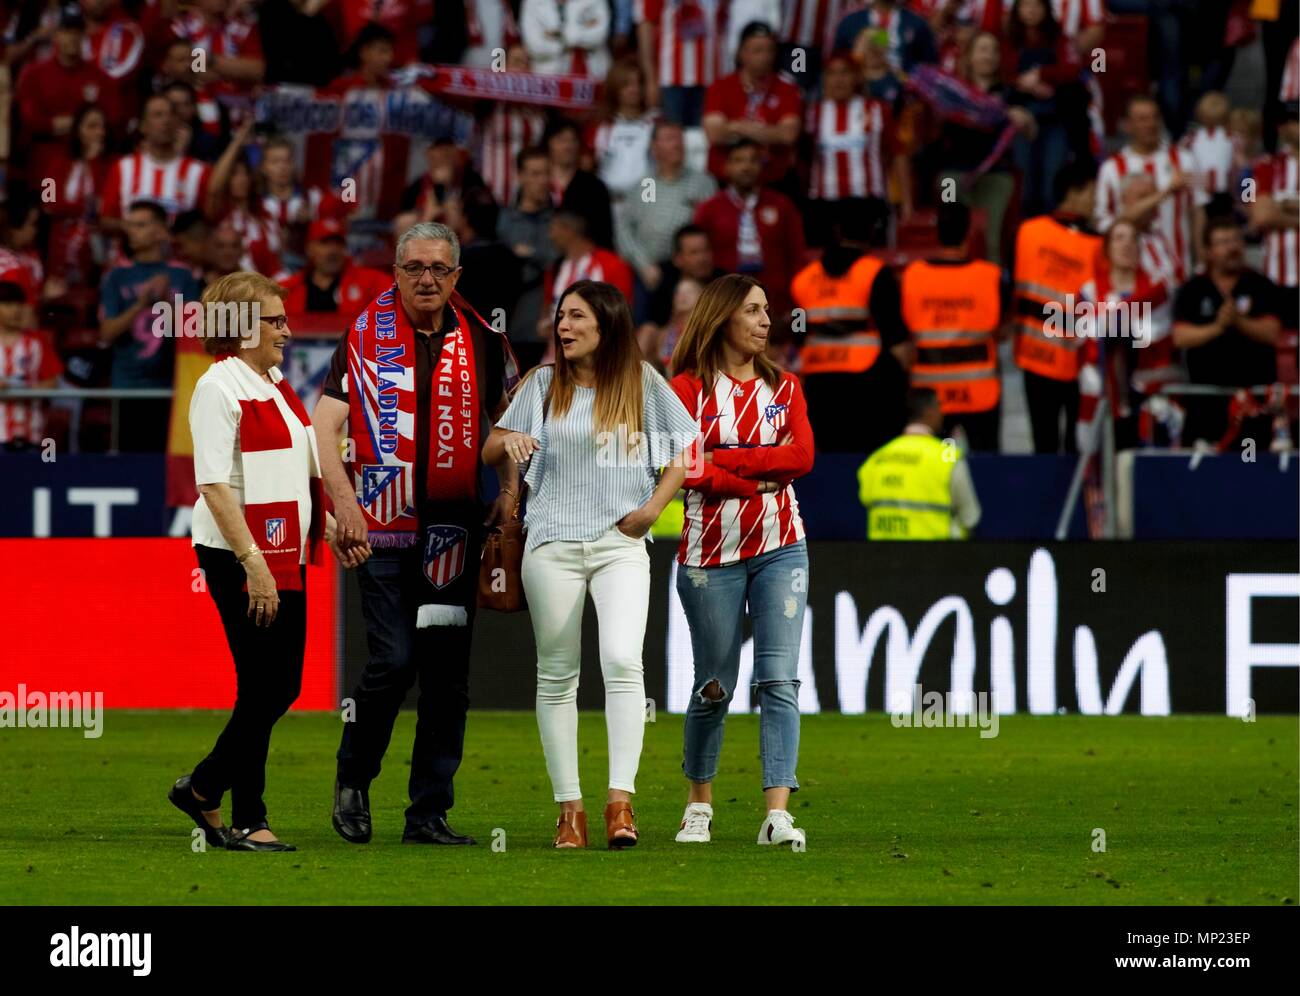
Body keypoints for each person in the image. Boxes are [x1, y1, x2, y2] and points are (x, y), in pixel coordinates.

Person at [317, 222, 519, 847]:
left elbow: (509, 427)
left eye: (439, 268)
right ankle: (353, 778)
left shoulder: (485, 340)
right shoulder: (362, 334)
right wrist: (344, 502)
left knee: (446, 674)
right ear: (396, 273)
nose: (427, 279)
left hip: (454, 531)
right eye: (414, 268)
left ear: (457, 277)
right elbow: (324, 427)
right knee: (393, 660)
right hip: (380, 528)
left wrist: (510, 495)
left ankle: (427, 812)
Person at [485, 279, 696, 849]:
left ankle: (619, 805)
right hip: (550, 543)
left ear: (606, 325)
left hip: (619, 544)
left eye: (577, 317)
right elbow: (490, 445)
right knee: (557, 675)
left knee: (624, 661)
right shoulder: (539, 384)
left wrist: (653, 509)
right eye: (560, 317)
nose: (564, 327)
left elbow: (686, 450)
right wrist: (512, 445)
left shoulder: (642, 381)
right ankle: (569, 811)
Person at [171, 270, 360, 852]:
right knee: (268, 687)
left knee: (271, 687)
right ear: (241, 327)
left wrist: (326, 528)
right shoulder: (216, 387)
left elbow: (287, 478)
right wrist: (253, 563)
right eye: (275, 320)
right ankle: (225, 800)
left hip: (282, 551)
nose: (287, 329)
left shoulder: (272, 381)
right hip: (239, 553)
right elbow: (213, 485)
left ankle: (221, 798)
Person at [667, 273, 815, 847]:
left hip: (783, 545)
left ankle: (777, 813)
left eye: (766, 309)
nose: (765, 320)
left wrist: (732, 462)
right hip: (710, 554)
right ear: (722, 317)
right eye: (752, 310)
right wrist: (760, 471)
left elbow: (801, 457)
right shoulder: (684, 391)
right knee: (715, 684)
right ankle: (698, 805)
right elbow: (690, 469)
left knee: (779, 679)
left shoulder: (786, 388)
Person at [790, 196, 911, 455]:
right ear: (871, 231)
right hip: (869, 385)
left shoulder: (803, 279)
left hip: (820, 385)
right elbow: (896, 338)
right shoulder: (876, 273)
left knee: (832, 459)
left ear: (836, 230)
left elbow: (798, 335)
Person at [98, 199, 203, 451]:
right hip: (127, 388)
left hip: (173, 388)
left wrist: (165, 302)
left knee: (166, 466)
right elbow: (107, 333)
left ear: (159, 231)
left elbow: (195, 331)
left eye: (140, 225)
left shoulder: (183, 275)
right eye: (130, 225)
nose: (131, 231)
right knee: (128, 464)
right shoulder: (115, 276)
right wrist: (140, 305)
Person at [1012, 160, 1100, 454]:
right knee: (1076, 447)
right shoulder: (1096, 246)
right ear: (1073, 193)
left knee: (1043, 444)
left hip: (1035, 356)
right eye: (1091, 193)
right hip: (1075, 363)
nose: (1095, 200)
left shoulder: (1028, 231)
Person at [900, 202, 1005, 451]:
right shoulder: (990, 276)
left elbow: (906, 331)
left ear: (937, 233)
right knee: (984, 468)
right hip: (979, 393)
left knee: (933, 465)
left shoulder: (913, 275)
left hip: (931, 398)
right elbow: (1002, 329)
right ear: (969, 233)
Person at [1172, 217, 1282, 448]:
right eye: (1223, 242)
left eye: (1235, 240)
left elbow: (1272, 332)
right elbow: (1180, 336)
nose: (1232, 247)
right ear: (1209, 251)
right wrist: (1217, 327)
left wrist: (1239, 322)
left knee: (1252, 469)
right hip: (1205, 403)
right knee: (1204, 474)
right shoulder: (1193, 289)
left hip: (1253, 403)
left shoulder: (1261, 285)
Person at [693, 138, 806, 320]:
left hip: (776, 304)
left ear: (762, 166)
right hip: (726, 304)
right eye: (739, 160)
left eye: (753, 160)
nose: (746, 167)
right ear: (726, 167)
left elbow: (796, 255)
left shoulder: (782, 205)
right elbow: (699, 259)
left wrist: (795, 305)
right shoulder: (709, 209)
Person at [857, 387, 982, 539]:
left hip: (880, 556)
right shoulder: (947, 457)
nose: (942, 414)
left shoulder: (877, 458)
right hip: (936, 555)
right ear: (930, 411)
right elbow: (970, 517)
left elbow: (864, 500)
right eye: (939, 407)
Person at [702, 21, 802, 190]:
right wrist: (768, 131)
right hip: (726, 183)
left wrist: (736, 127)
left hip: (773, 181)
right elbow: (715, 134)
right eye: (757, 51)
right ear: (741, 53)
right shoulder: (720, 87)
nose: (764, 56)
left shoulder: (787, 89)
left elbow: (788, 135)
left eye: (769, 50)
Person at [277, 218, 391, 327]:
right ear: (309, 248)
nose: (333, 250)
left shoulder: (373, 282)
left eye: (338, 243)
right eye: (325, 243)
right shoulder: (287, 288)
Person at [0, 280, 62, 449]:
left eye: (18, 304)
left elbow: (52, 383)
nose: (15, 310)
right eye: (7, 304)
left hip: (32, 435)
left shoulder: (37, 342)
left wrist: (22, 390)